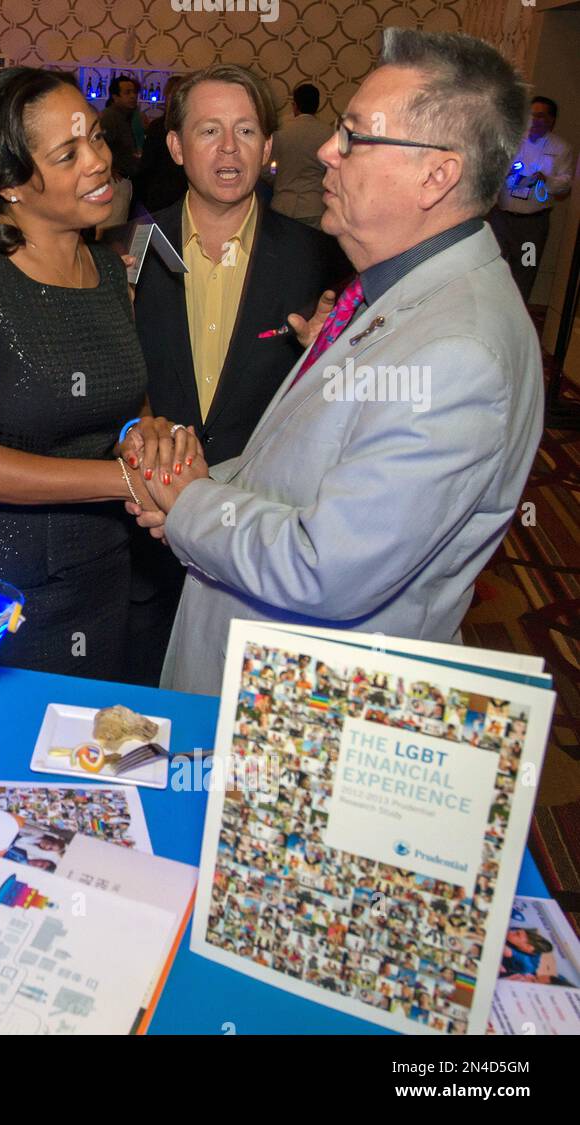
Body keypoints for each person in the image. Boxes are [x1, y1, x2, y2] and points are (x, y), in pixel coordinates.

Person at [124, 29, 545, 697]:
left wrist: (190, 502)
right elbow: (298, 470)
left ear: (437, 175)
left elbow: (324, 567)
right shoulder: (395, 291)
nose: (323, 150)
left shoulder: (456, 353)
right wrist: (193, 480)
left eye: (354, 137)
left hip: (309, 709)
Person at [0, 67, 157, 679]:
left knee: (88, 757)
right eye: (68, 153)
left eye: (97, 138)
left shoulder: (110, 274)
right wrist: (121, 481)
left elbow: (126, 408)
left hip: (103, 566)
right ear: (10, 183)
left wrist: (148, 439)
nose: (98, 160)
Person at [127, 64, 345, 684]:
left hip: (262, 544)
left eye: (247, 131)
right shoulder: (129, 250)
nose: (229, 149)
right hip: (148, 532)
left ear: (269, 148)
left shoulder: (317, 257)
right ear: (175, 146)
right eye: (209, 131)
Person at [489, 96, 575, 303]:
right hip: (502, 218)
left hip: (532, 225)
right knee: (491, 265)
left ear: (552, 120)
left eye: (540, 116)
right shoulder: (513, 141)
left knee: (525, 269)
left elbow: (565, 184)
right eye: (531, 115)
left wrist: (544, 179)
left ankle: (516, 316)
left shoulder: (561, 148)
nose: (534, 120)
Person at [269, 83, 335, 229]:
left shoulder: (281, 131)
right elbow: (331, 171)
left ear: (295, 105)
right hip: (314, 205)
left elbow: (270, 167)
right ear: (317, 105)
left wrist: (276, 175)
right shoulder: (328, 133)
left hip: (283, 204)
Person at [135, 74, 188, 214]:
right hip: (181, 192)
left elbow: (146, 166)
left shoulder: (158, 126)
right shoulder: (190, 127)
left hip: (160, 193)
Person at [100, 76, 142, 226]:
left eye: (134, 92)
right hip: (115, 181)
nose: (133, 96)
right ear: (115, 97)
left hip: (125, 179)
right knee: (112, 228)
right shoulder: (111, 116)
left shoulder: (128, 116)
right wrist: (109, 169)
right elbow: (98, 144)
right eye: (127, 92)